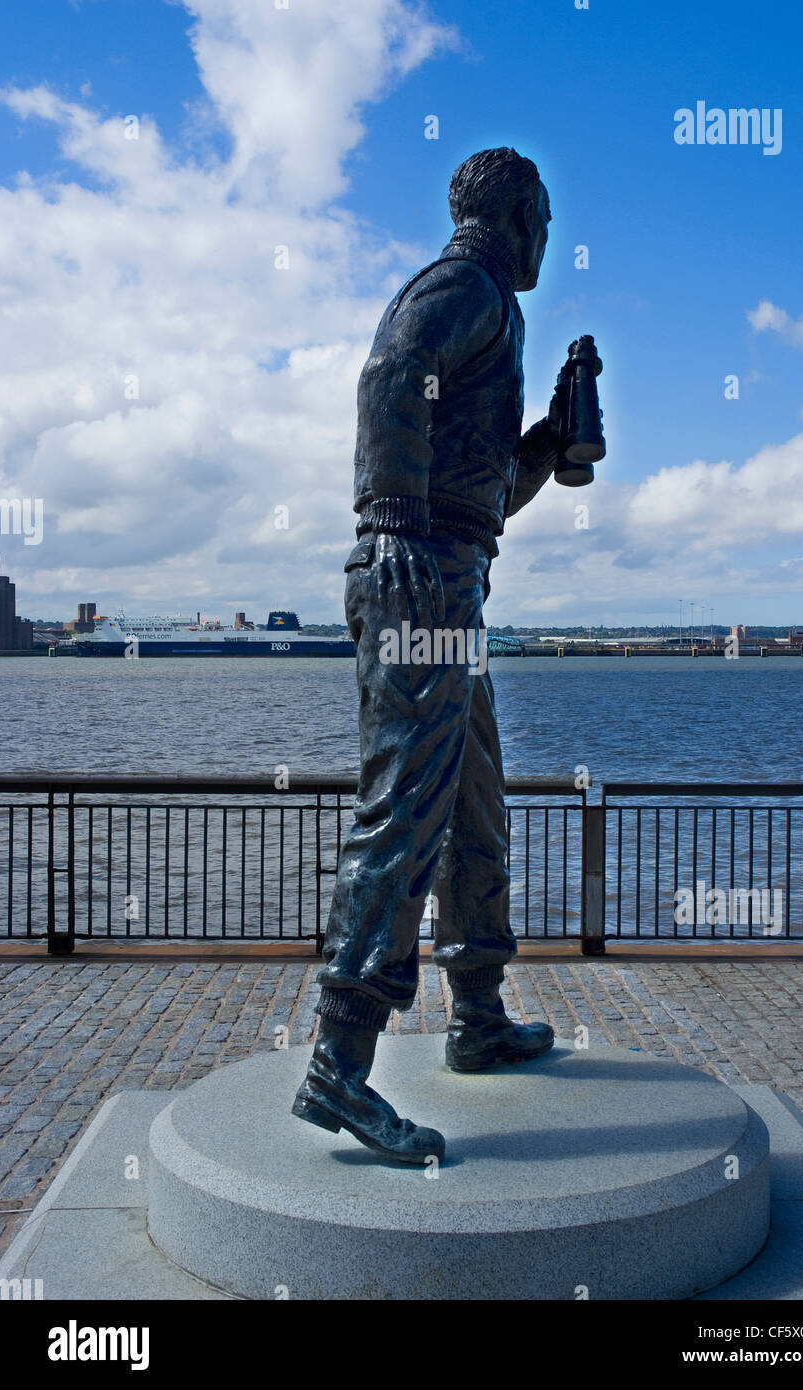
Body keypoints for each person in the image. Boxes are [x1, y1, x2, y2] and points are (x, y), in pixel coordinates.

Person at [292, 147, 571, 1163]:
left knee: (472, 805)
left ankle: (477, 1012)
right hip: (420, 579)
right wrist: (401, 522)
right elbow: (385, 379)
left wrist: (547, 441)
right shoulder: (464, 284)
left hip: (451, 580)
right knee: (404, 812)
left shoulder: (494, 304)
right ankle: (336, 1061)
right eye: (538, 214)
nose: (544, 234)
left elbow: (482, 495)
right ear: (507, 211)